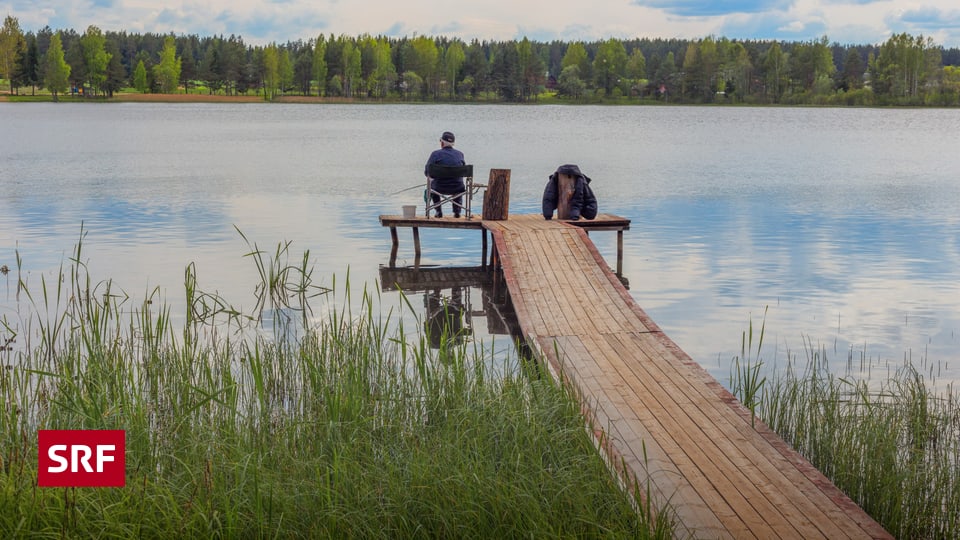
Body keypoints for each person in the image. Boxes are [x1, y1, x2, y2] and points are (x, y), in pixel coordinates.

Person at [424, 131, 466, 218]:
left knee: (431, 184)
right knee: (457, 181)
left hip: (439, 188)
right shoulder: (460, 154)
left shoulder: (435, 154)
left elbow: (427, 171)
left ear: (442, 143)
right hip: (458, 188)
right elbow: (463, 171)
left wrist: (431, 176)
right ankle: (457, 212)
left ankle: (438, 211)